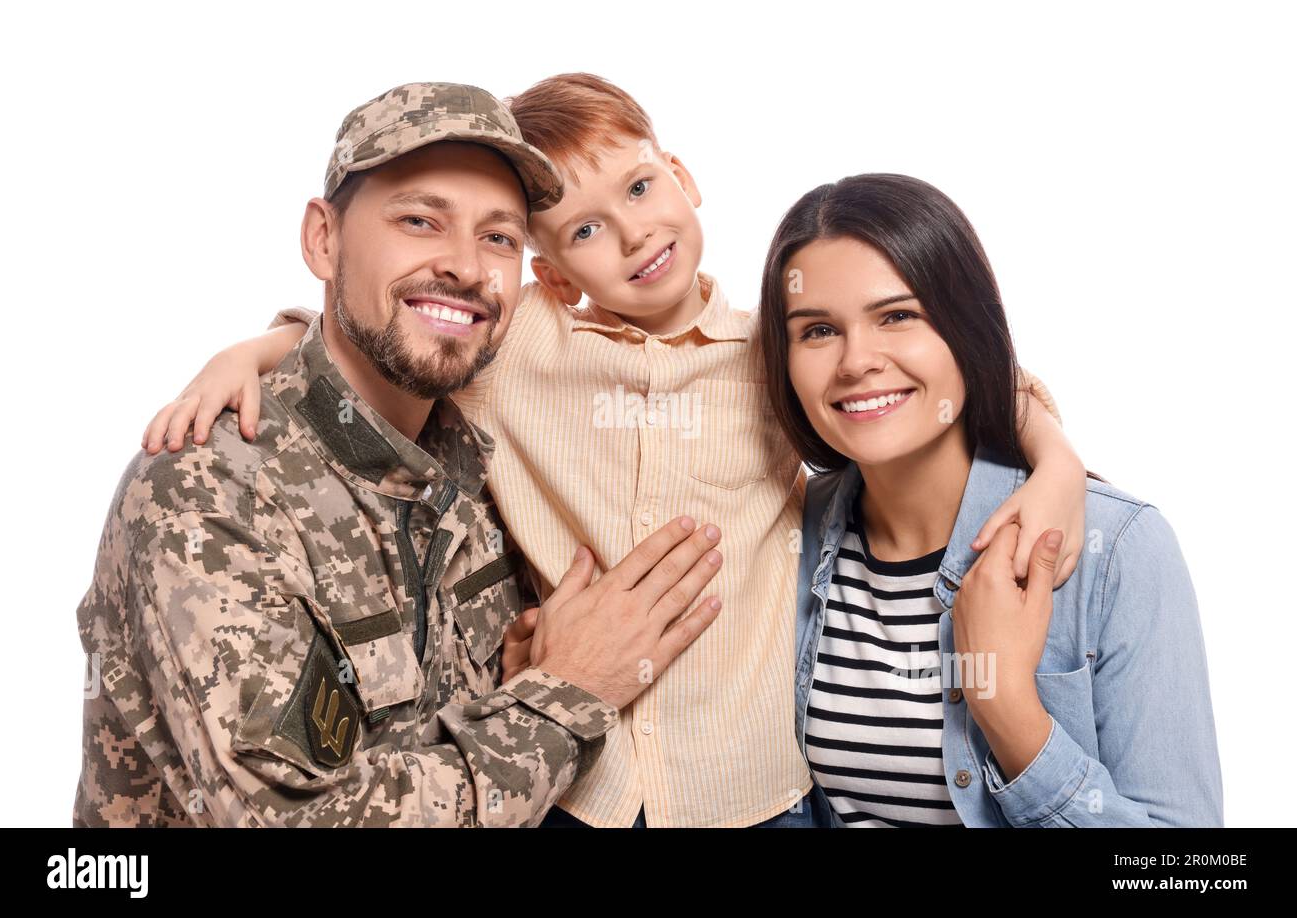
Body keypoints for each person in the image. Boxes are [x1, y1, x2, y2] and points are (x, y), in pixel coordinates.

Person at [141, 75, 1087, 828]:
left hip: (747, 791)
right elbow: (385, 332)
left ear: (683, 174)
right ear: (550, 271)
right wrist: (260, 348)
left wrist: (1054, 464)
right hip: (573, 787)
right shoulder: (520, 354)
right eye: (585, 230)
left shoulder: (780, 351)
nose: (632, 233)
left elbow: (948, 380)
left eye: (641, 188)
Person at [74, 82, 729, 828]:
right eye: (420, 221)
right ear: (323, 239)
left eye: (500, 238)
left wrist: (527, 675)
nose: (463, 265)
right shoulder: (204, 494)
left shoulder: (482, 466)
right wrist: (569, 692)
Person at [759, 173, 1224, 826]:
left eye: (898, 316)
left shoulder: (1115, 552)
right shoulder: (785, 536)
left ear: (965, 327)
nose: (856, 361)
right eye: (817, 331)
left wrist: (1006, 707)